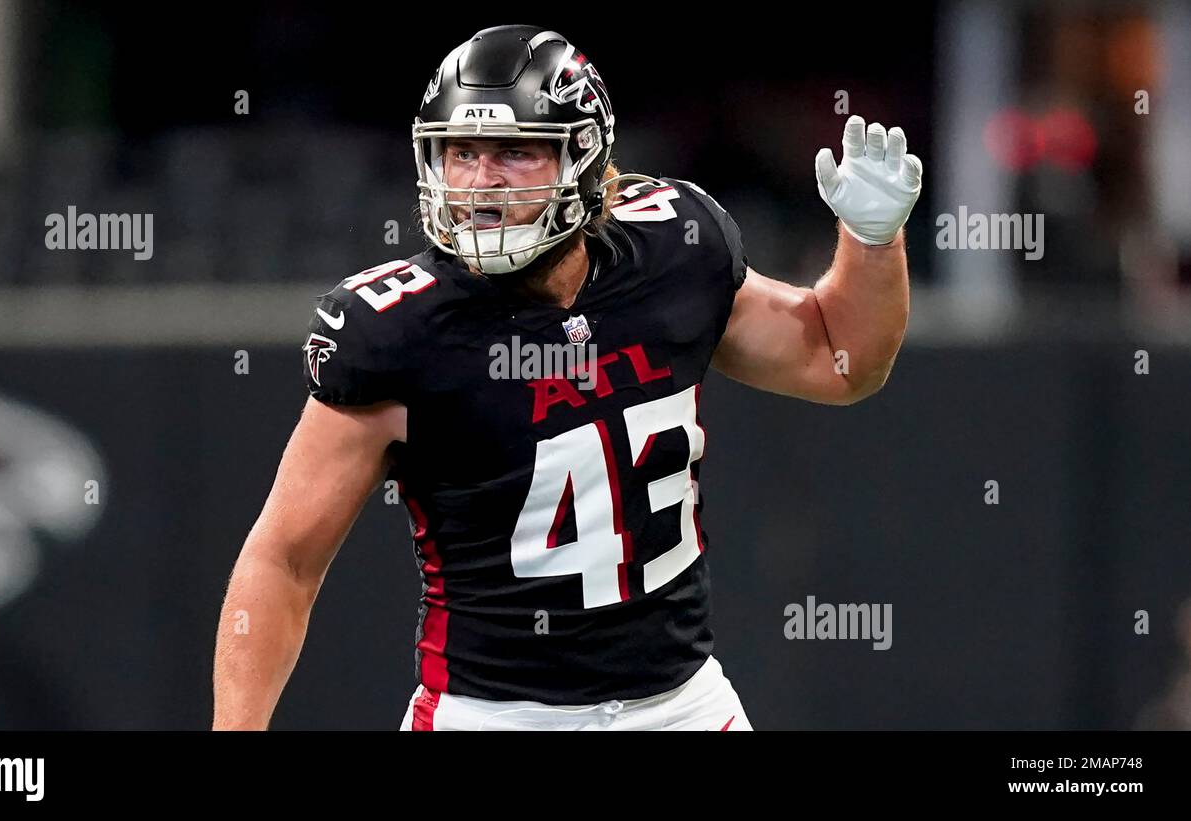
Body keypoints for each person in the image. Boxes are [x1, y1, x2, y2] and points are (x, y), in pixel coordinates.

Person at [213, 24, 922, 731]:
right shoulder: (398, 331)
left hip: (680, 706)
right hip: (492, 716)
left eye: (515, 152)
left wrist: (872, 241)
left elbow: (843, 362)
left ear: (585, 158)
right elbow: (284, 559)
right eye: (461, 152)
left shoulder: (674, 252)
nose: (480, 181)